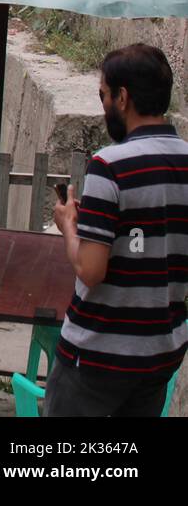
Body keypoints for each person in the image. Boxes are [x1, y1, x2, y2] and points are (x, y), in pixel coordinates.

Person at [46, 44, 188, 416]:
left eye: (104, 95)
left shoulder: (109, 166)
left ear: (123, 98)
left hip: (99, 354)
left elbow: (91, 270)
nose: (103, 104)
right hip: (161, 353)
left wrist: (69, 227)